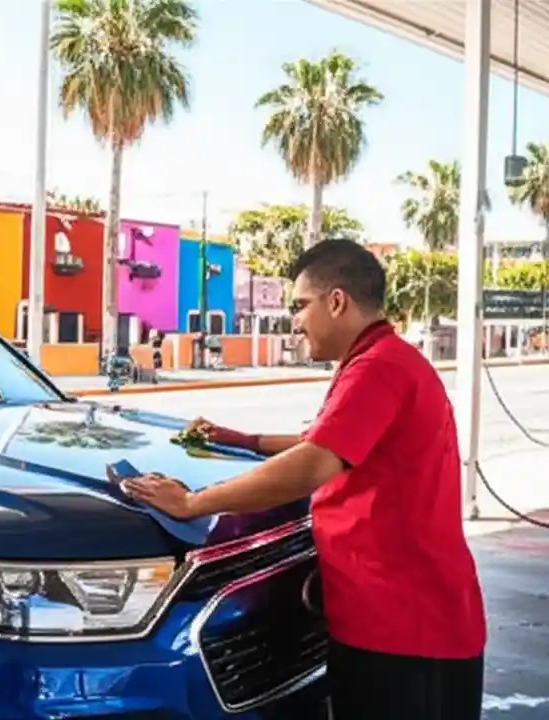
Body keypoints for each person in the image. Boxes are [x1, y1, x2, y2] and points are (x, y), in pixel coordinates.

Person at [116, 239, 486, 720]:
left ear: (337, 301)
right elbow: (327, 440)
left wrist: (194, 502)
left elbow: (314, 463)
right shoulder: (382, 360)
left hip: (404, 632)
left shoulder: (378, 368)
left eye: (300, 305)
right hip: (398, 621)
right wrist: (243, 440)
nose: (294, 321)